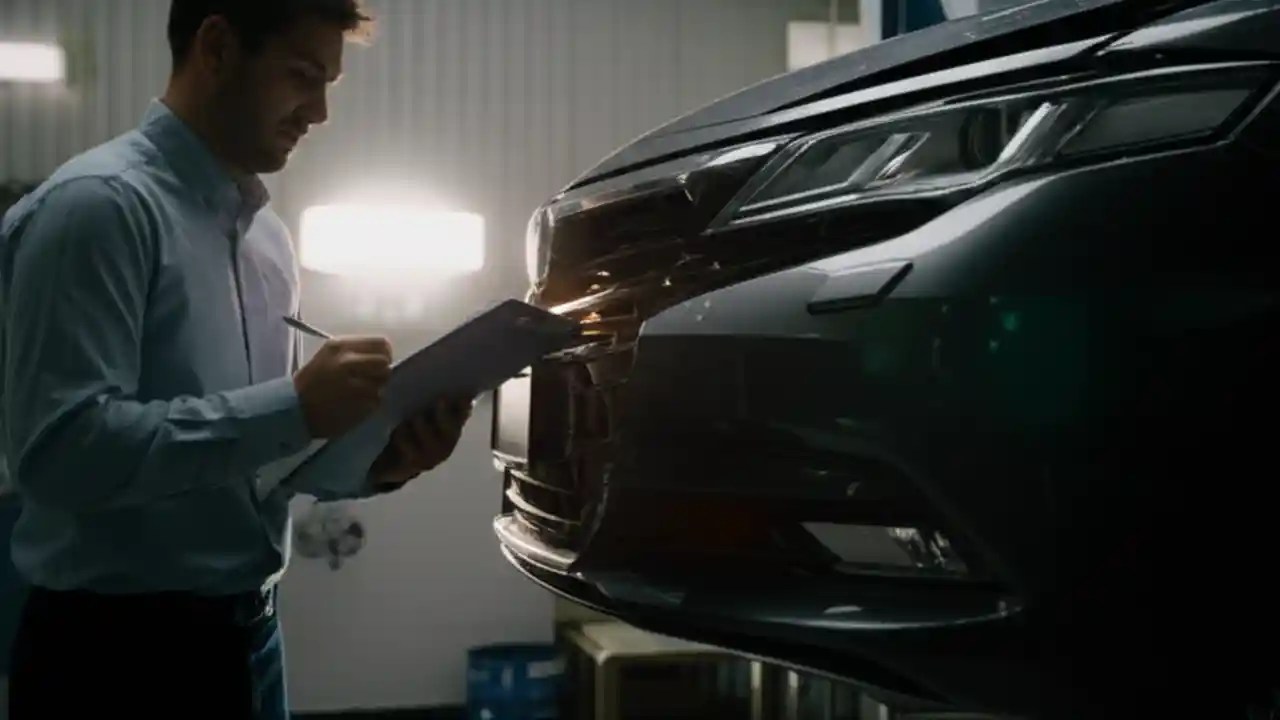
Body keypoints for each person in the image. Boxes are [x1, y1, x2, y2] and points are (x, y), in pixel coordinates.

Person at [0, 1, 471, 717]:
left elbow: (255, 464)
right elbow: (62, 453)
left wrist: (380, 462)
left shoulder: (268, 243)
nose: (318, 112)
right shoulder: (97, 209)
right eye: (302, 76)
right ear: (216, 47)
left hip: (248, 641)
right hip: (113, 662)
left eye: (329, 85)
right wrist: (295, 406)